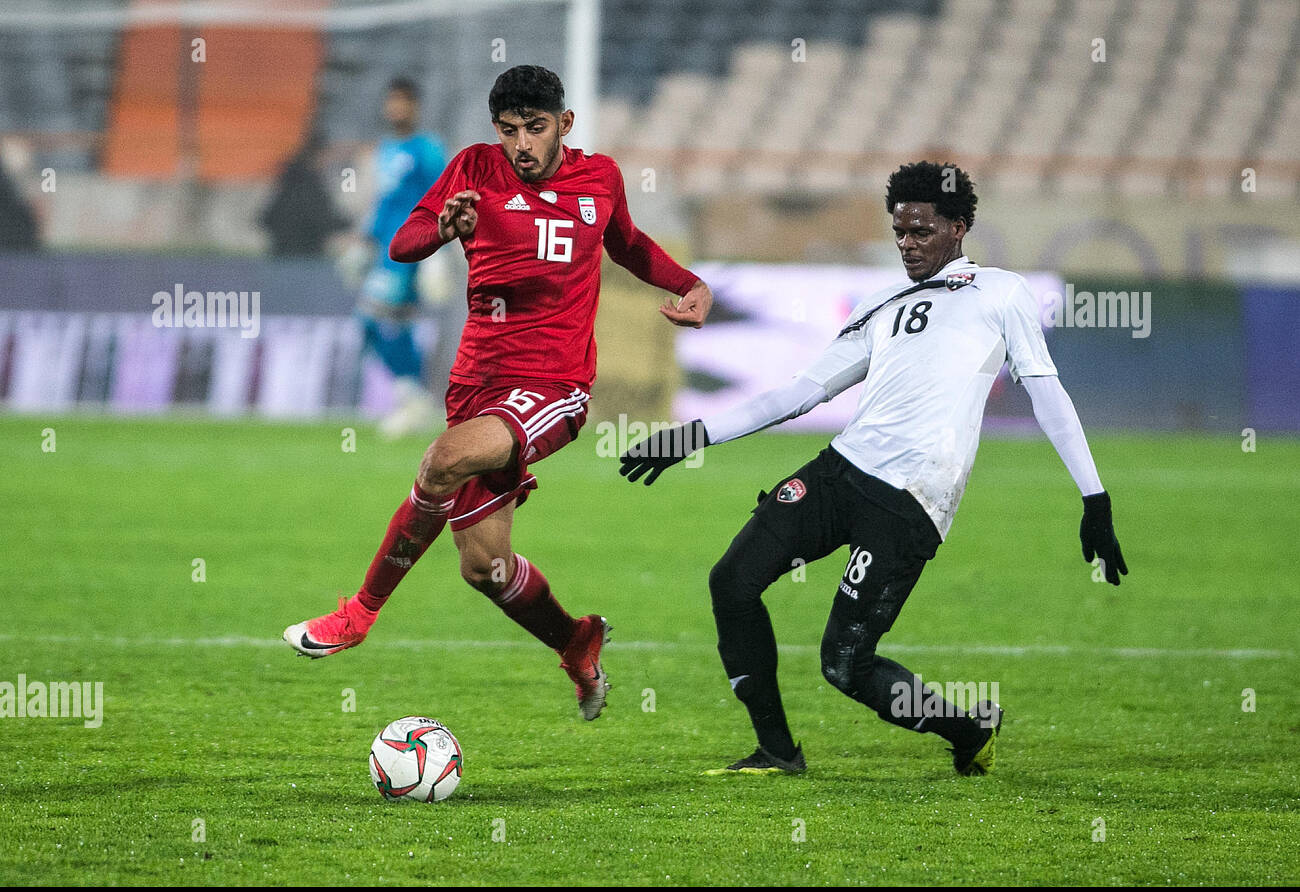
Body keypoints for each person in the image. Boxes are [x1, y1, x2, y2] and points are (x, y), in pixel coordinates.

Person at [619, 161, 1126, 774]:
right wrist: (691, 437)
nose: (908, 244)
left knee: (844, 665)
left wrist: (1093, 497)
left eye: (922, 231)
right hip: (842, 473)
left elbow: (1047, 393)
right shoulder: (883, 300)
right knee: (732, 580)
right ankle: (776, 751)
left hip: (911, 499)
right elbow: (800, 393)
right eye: (900, 233)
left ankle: (967, 729)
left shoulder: (1001, 293)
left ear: (959, 227)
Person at [285, 66, 714, 721]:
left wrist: (690, 285)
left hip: (554, 385)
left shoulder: (599, 179)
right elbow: (403, 244)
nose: (522, 144)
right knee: (484, 565)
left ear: (563, 125)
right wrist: (443, 227)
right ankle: (576, 640)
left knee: (442, 460)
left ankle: (359, 612)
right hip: (476, 384)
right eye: (510, 130)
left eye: (535, 129)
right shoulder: (474, 169)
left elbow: (628, 245)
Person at [354, 77, 447, 438]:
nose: (395, 109)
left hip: (411, 251)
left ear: (415, 106)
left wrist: (436, 254)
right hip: (384, 251)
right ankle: (414, 400)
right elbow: (384, 204)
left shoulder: (427, 149)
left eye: (402, 102)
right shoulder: (385, 150)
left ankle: (413, 397)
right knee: (397, 324)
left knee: (369, 318)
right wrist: (364, 242)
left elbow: (443, 194)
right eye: (391, 101)